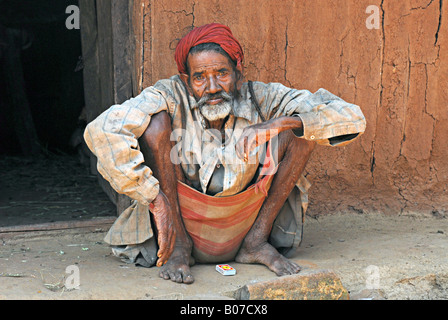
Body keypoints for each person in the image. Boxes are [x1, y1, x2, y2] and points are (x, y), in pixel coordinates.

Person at [84, 23, 366, 284]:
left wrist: (280, 123)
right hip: (179, 226)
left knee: (302, 129)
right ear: (185, 79)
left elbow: (350, 116)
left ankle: (256, 242)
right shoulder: (169, 94)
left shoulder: (262, 97)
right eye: (199, 78)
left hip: (245, 223)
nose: (212, 87)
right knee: (155, 124)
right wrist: (154, 198)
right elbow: (102, 130)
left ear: (238, 72)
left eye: (222, 74)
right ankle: (179, 248)